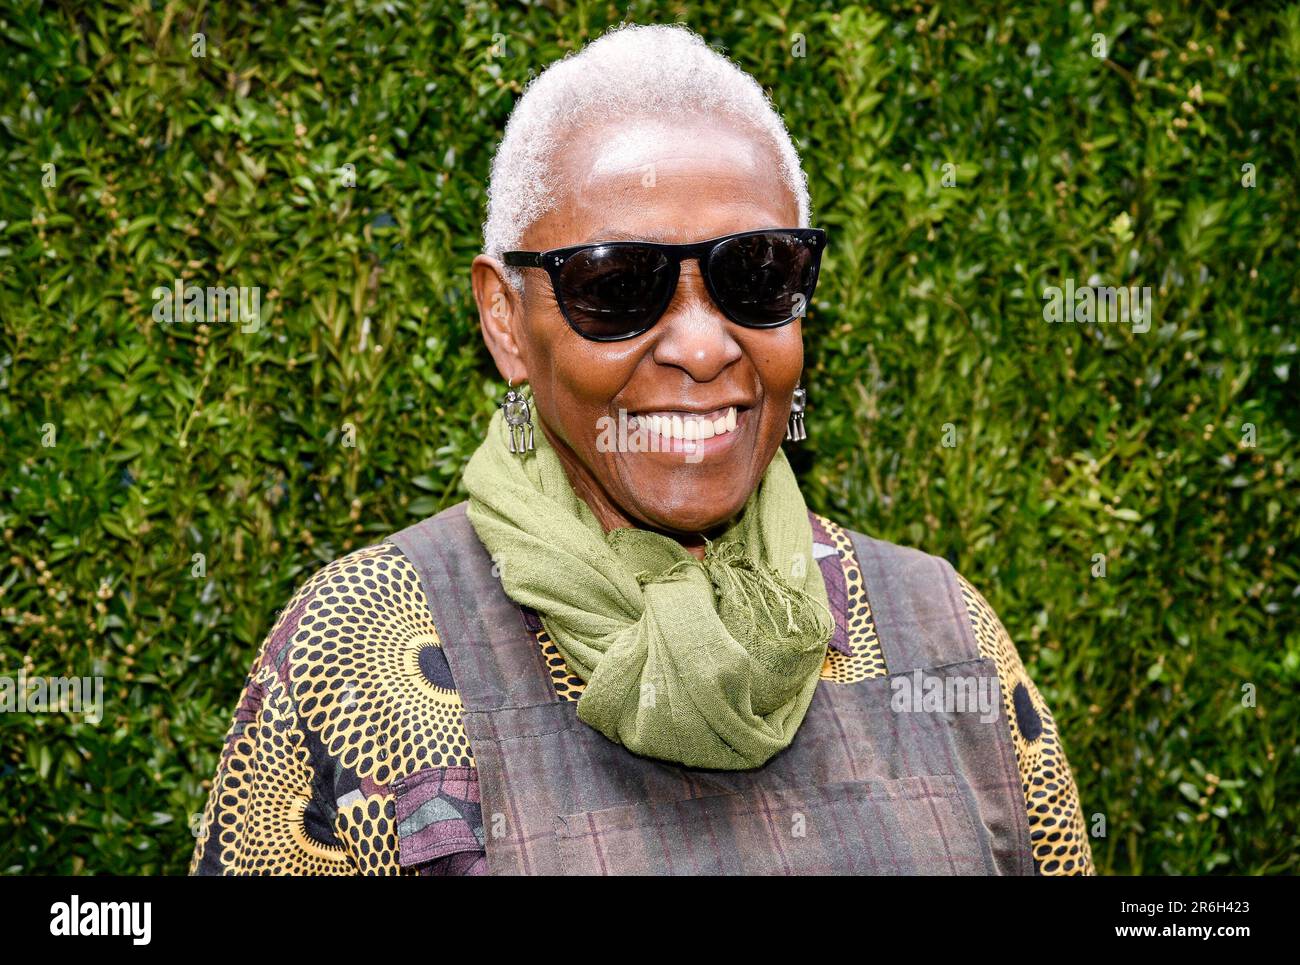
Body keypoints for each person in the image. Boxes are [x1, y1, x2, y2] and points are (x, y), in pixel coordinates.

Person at [190, 22, 1093, 876]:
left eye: (757, 273)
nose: (702, 348)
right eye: (618, 285)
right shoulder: (362, 643)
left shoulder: (944, 633)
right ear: (505, 320)